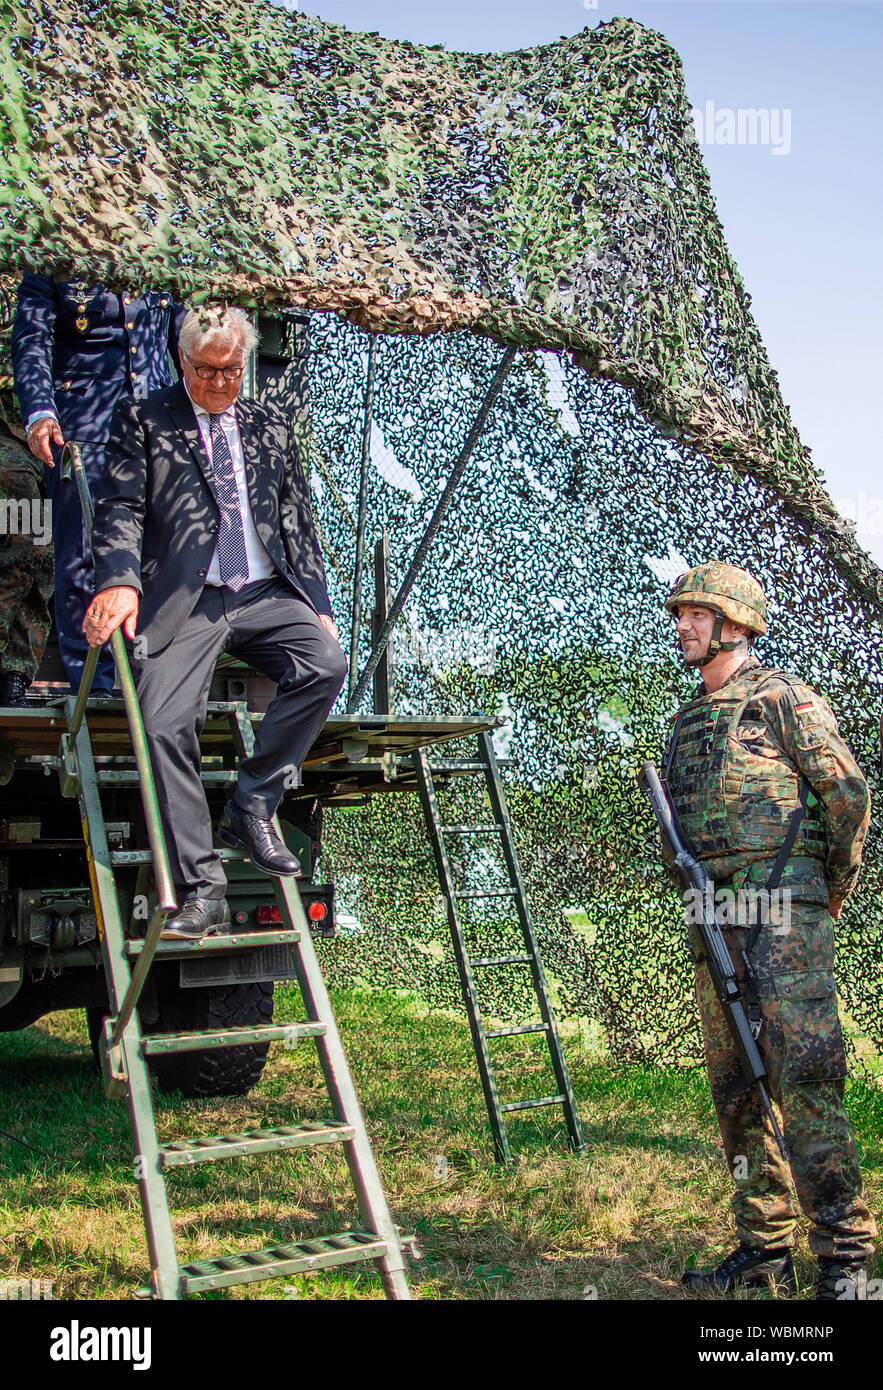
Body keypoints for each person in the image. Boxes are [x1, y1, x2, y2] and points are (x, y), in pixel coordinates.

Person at [82, 306, 346, 941]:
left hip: (261, 590)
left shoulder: (270, 425)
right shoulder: (145, 419)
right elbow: (119, 506)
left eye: (232, 372)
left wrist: (320, 604)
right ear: (183, 362)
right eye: (208, 371)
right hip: (187, 598)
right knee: (164, 724)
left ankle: (252, 805)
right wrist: (119, 580)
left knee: (325, 664)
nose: (221, 384)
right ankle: (200, 890)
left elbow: (295, 519)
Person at [662, 561, 875, 1301]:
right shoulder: (687, 719)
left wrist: (825, 889)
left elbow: (846, 797)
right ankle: (762, 1247)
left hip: (784, 909)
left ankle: (844, 1258)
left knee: (806, 1079)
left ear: (736, 624)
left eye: (696, 613)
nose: (681, 625)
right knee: (735, 1087)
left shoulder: (783, 699)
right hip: (712, 915)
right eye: (680, 613)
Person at [10, 275, 184, 696]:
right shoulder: (55, 251)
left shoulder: (161, 249)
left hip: (158, 419)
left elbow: (184, 339)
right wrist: (39, 413)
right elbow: (32, 340)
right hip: (84, 424)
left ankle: (151, 682)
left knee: (162, 553)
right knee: (85, 558)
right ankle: (98, 688)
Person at [0, 413, 54, 705]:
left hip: (51, 454)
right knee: (23, 555)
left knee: (43, 564)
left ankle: (15, 677)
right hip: (13, 454)